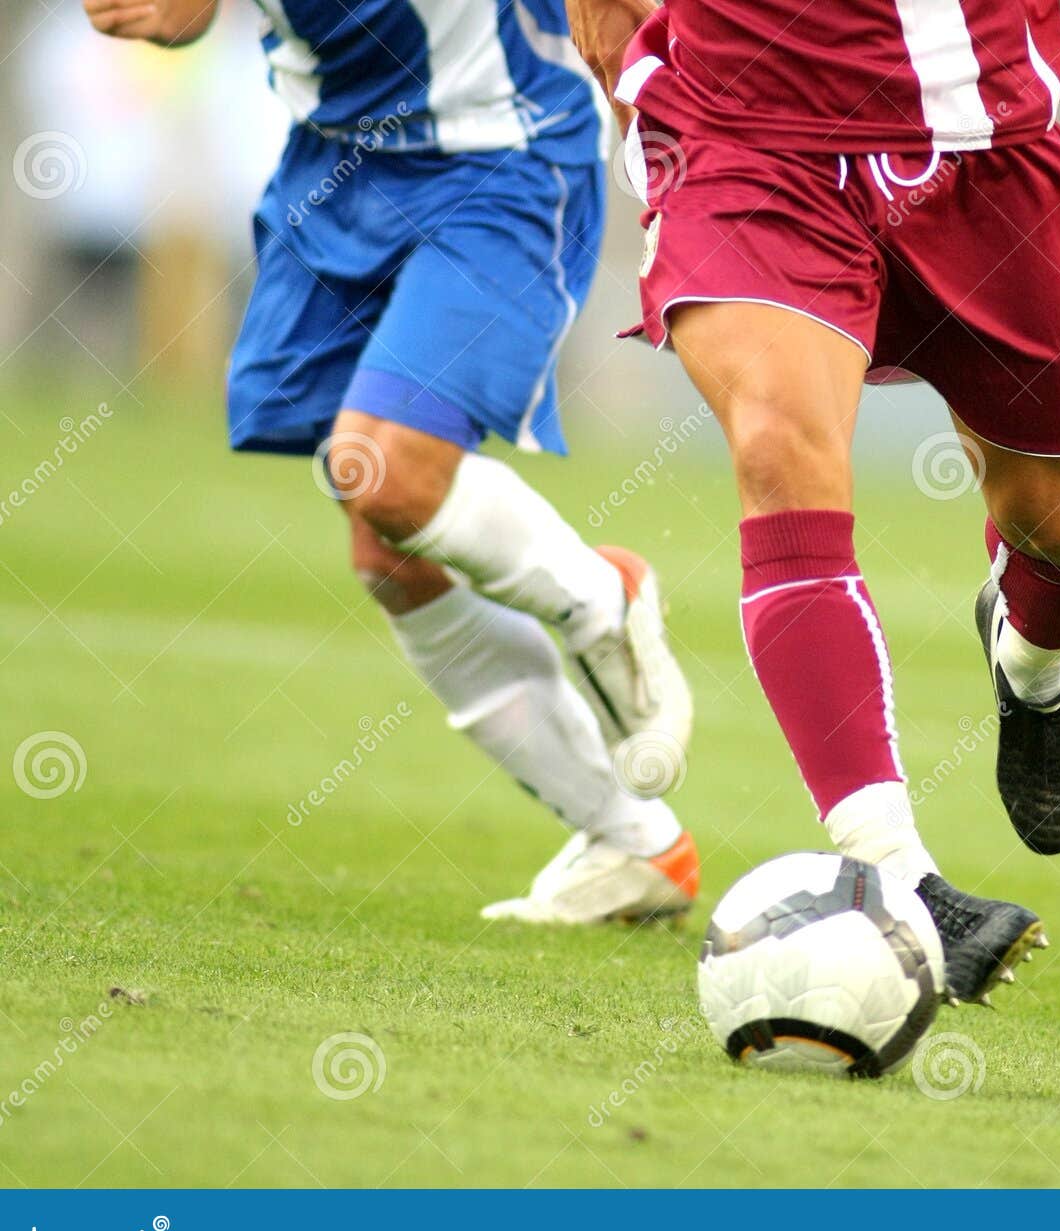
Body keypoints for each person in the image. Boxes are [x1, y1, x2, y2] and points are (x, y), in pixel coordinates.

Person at [84, 0, 699, 925]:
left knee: (385, 471)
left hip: (500, 154)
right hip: (335, 167)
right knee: (389, 552)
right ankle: (633, 841)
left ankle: (602, 595)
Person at [566, 0, 1060, 1002]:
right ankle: (900, 878)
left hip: (976, 129)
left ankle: (1033, 661)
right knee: (778, 449)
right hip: (744, 122)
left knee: (1054, 518)